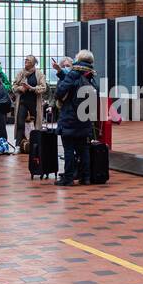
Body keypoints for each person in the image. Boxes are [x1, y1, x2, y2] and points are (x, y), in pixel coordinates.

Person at [55, 50, 97, 185]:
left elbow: (60, 91)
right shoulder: (91, 75)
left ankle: (68, 178)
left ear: (78, 59)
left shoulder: (74, 73)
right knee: (83, 149)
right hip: (84, 117)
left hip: (70, 117)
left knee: (68, 149)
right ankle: (86, 178)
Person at [12, 55, 47, 149]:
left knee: (35, 125)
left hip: (34, 103)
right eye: (25, 59)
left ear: (33, 63)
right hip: (22, 103)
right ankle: (18, 146)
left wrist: (31, 88)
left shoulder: (39, 73)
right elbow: (14, 86)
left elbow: (43, 88)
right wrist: (20, 88)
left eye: (28, 59)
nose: (26, 60)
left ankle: (35, 145)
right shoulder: (20, 73)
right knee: (20, 124)